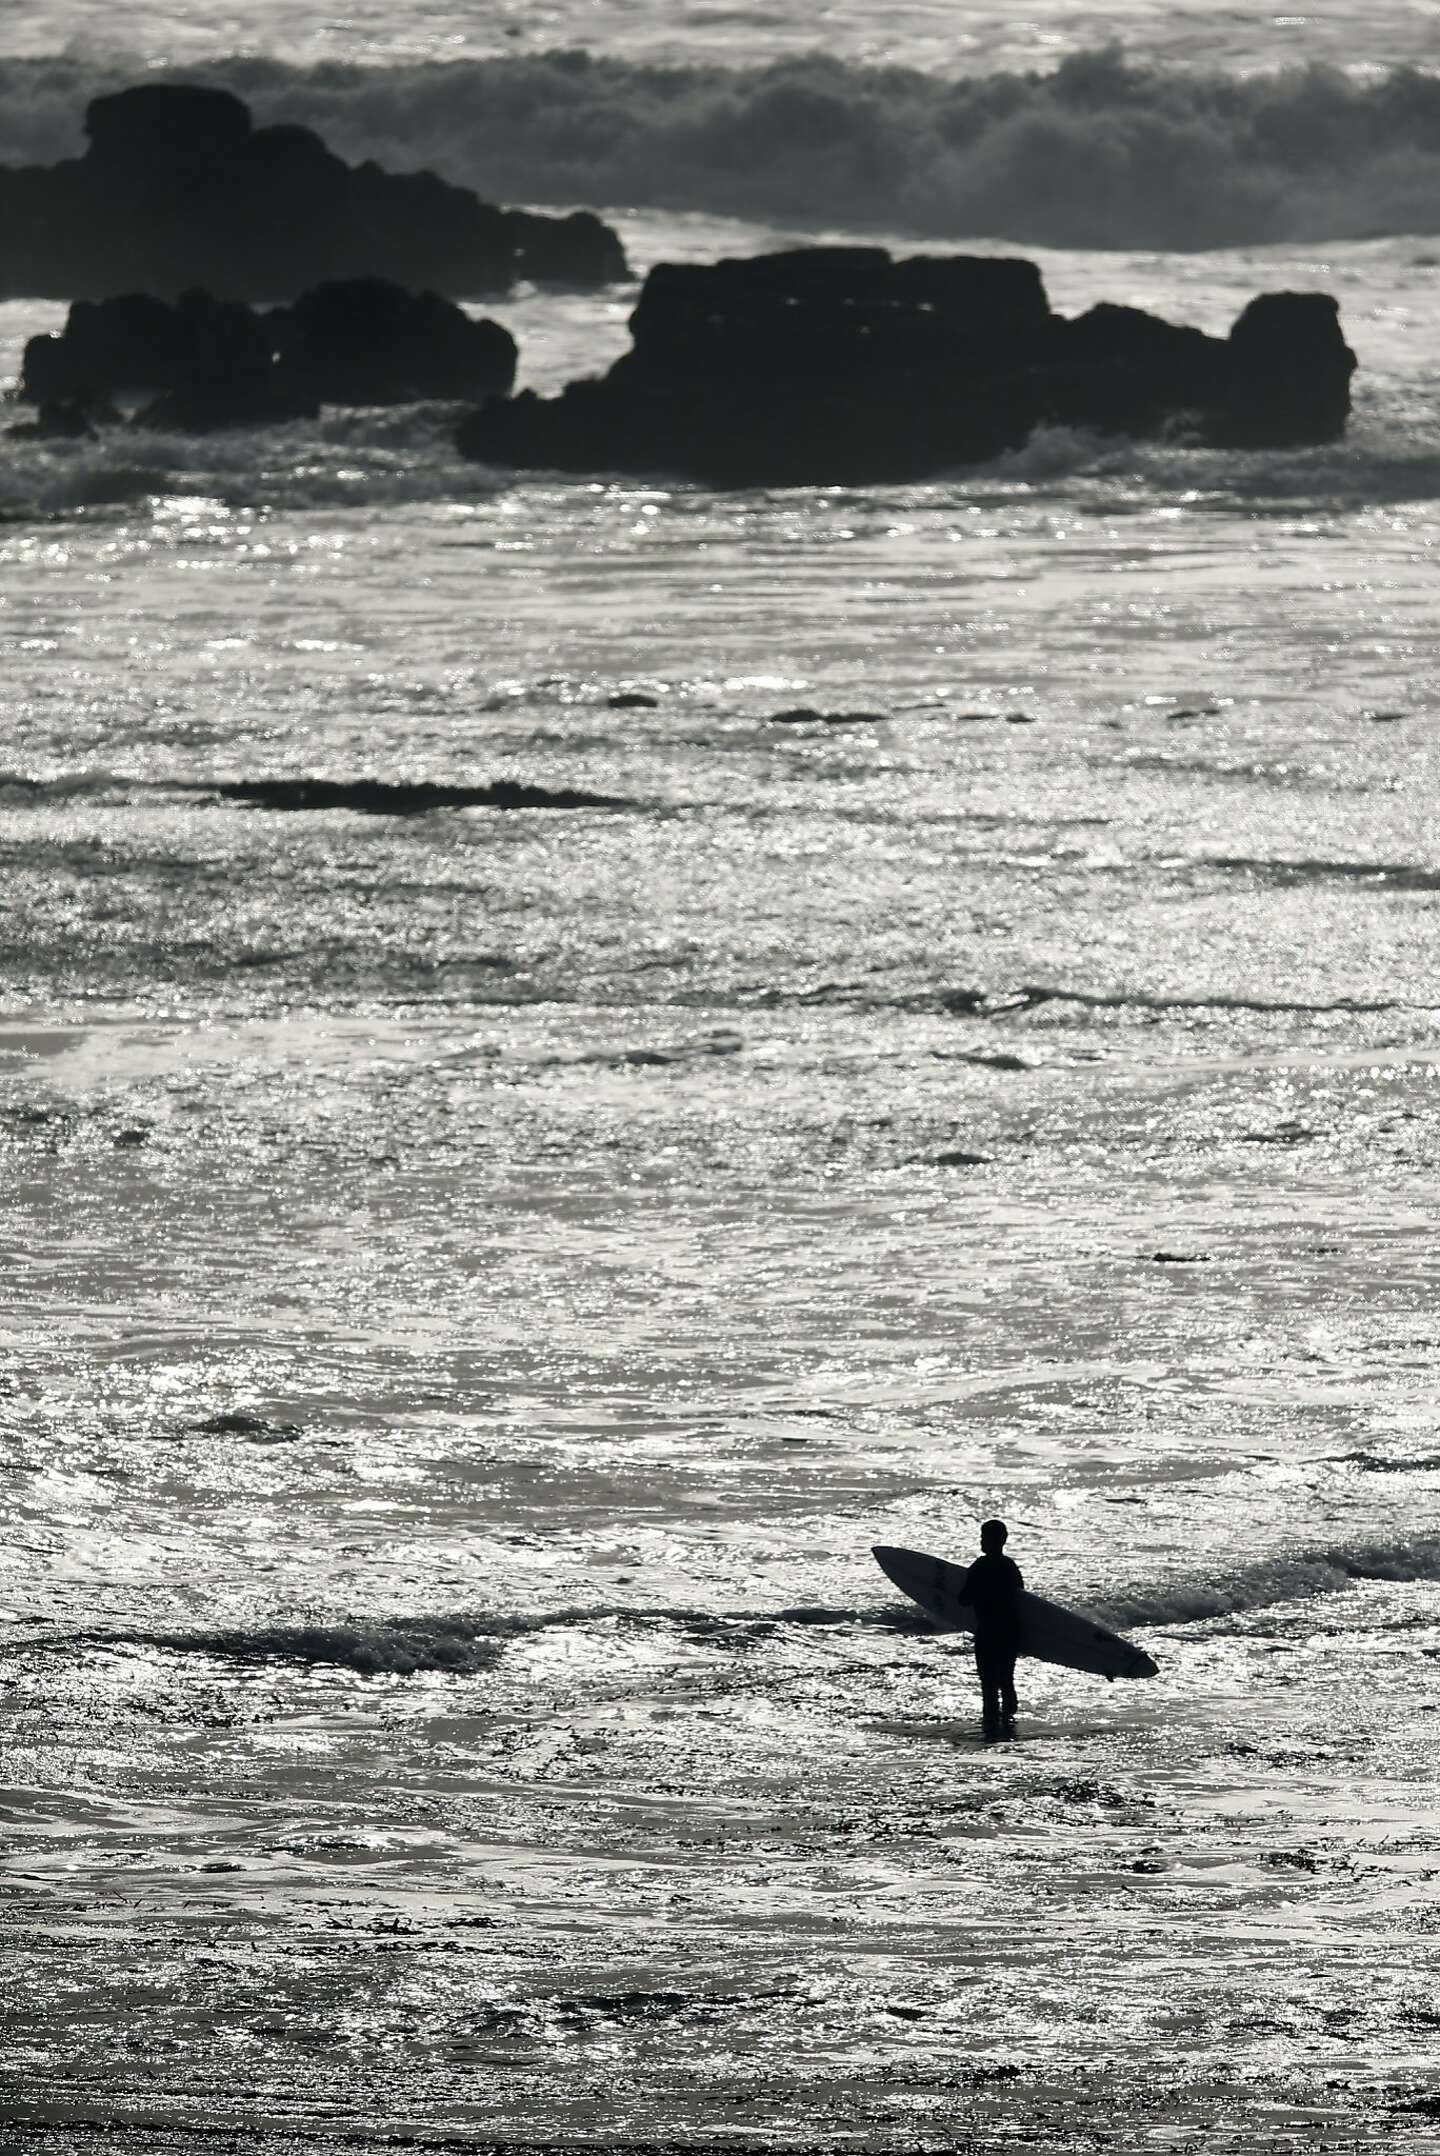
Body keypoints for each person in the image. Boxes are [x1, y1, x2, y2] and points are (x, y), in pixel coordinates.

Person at [961, 1518, 1024, 1739]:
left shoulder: (980, 1566)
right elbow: (1022, 1596)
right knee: (1007, 1679)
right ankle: (1009, 1724)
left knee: (988, 1683)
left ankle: (991, 1727)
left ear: (991, 1540)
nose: (980, 1541)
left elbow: (964, 1598)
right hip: (1010, 1631)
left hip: (988, 1631)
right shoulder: (1010, 1566)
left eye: (983, 1537)